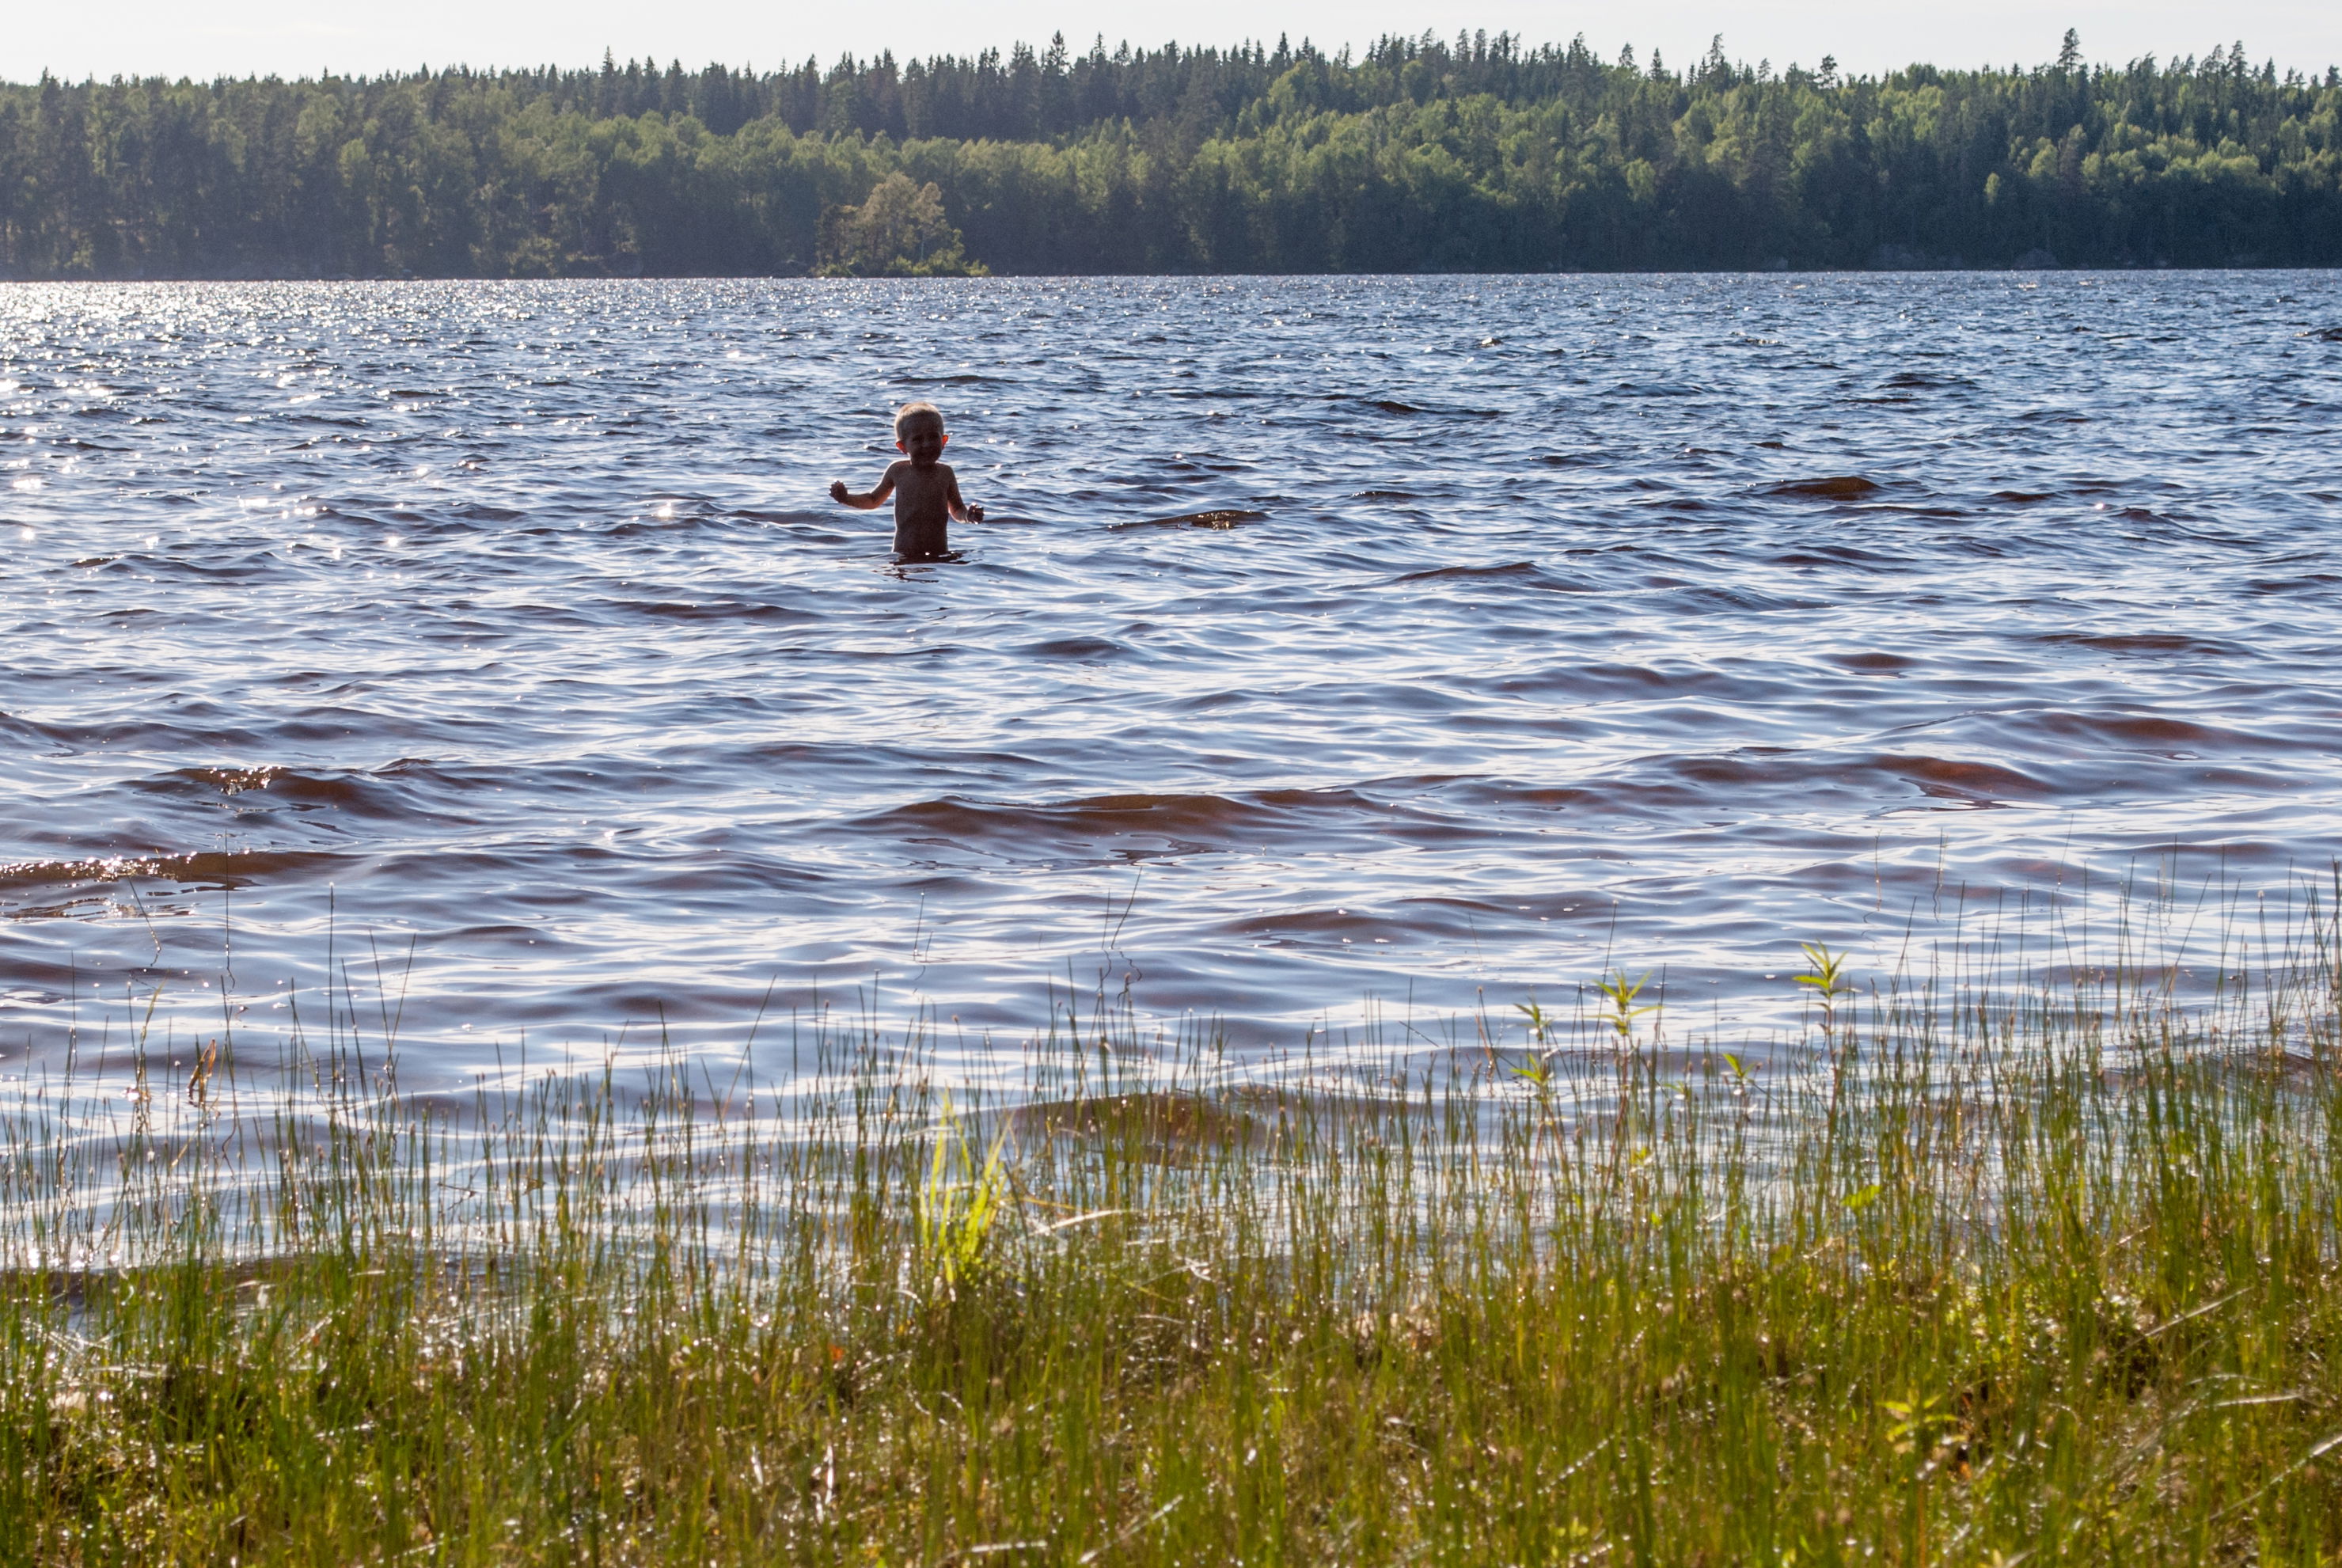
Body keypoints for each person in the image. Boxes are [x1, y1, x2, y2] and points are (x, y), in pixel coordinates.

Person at [829, 401, 983, 560]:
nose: (927, 444)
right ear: (903, 447)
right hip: (904, 556)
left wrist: (968, 516)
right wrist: (846, 498)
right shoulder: (898, 471)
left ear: (944, 441)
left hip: (939, 557)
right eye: (917, 439)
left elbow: (957, 509)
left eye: (933, 437)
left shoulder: (945, 474)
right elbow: (873, 500)